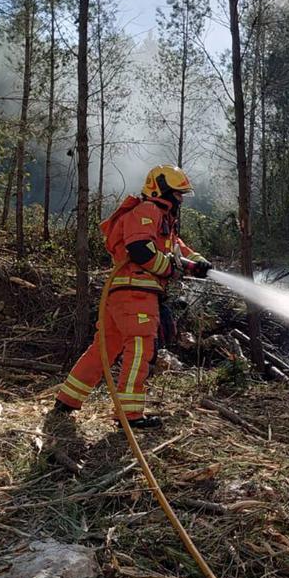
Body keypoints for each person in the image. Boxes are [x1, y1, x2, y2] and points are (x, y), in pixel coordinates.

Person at [50, 165, 212, 430]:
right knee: (140, 348)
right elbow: (140, 250)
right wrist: (171, 268)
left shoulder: (163, 222)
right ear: (162, 190)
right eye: (178, 194)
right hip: (136, 293)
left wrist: (199, 262)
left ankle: (67, 399)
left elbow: (178, 248)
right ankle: (130, 414)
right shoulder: (147, 211)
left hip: (124, 295)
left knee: (104, 348)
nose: (181, 199)